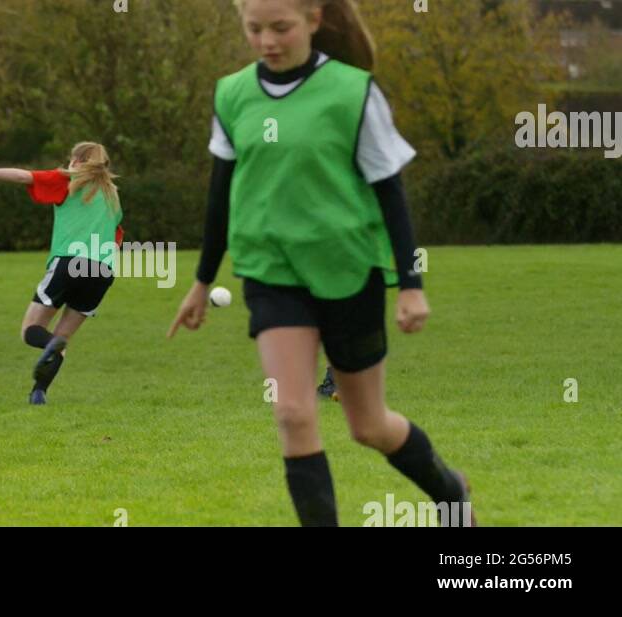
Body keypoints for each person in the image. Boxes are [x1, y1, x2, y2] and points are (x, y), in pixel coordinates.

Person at [168, 0, 474, 526]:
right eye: (254, 28)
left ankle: (451, 495)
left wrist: (410, 283)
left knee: (368, 425)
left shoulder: (353, 93)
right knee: (292, 412)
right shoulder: (232, 94)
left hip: (347, 271)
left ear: (314, 19)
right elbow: (220, 197)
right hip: (271, 272)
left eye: (281, 27)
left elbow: (390, 194)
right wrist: (201, 281)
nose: (268, 41)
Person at [0, 142, 123, 405]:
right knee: (61, 339)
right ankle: (38, 393)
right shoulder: (112, 196)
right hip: (102, 270)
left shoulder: (68, 180)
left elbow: (22, 176)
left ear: (76, 161)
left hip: (70, 263)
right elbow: (117, 239)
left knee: (32, 330)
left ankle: (51, 348)